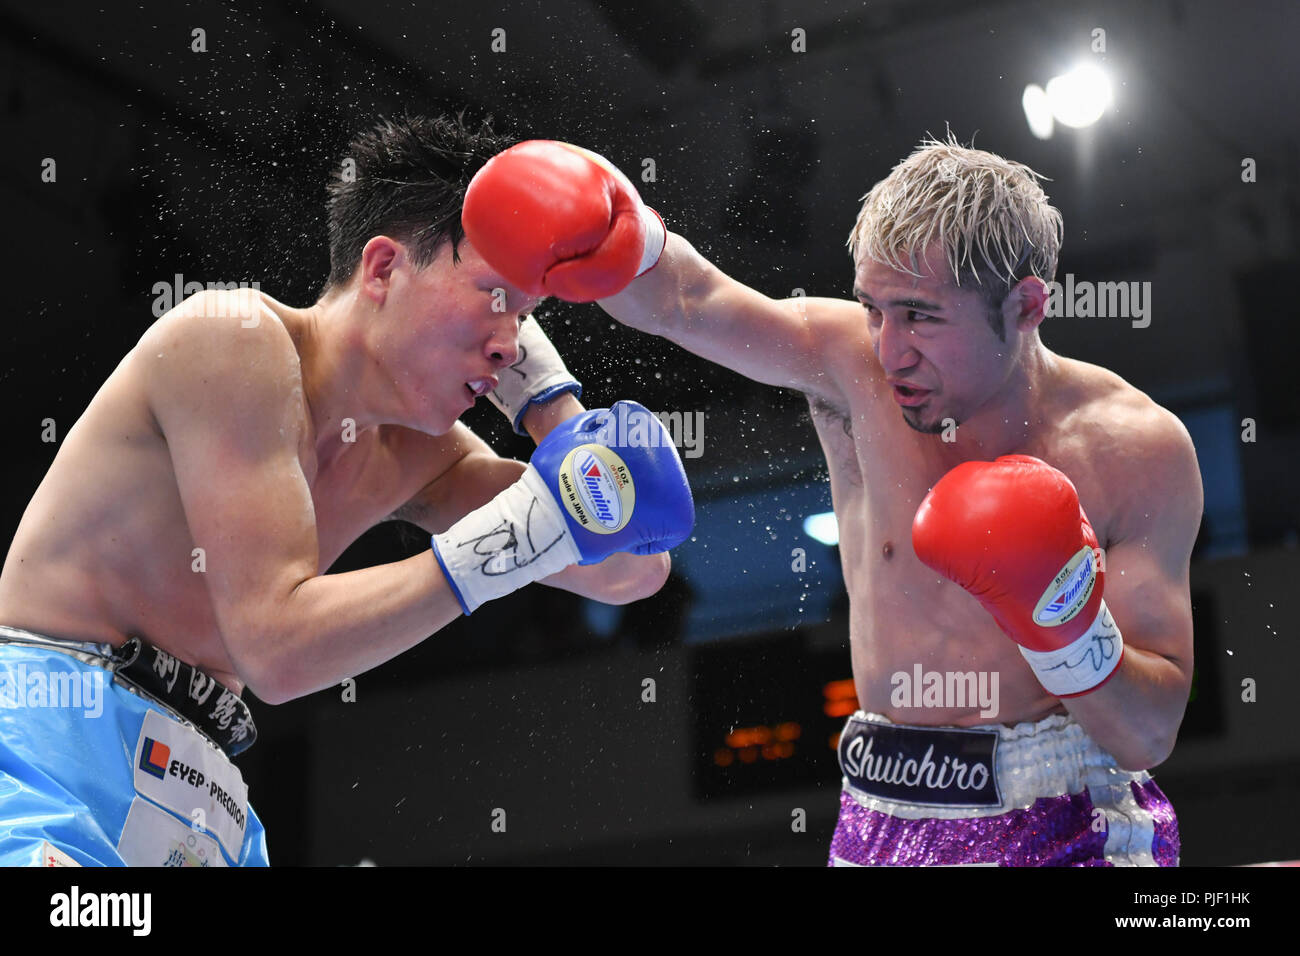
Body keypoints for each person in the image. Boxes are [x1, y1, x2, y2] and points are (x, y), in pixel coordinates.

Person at [462, 134, 1202, 866]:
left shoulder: (1133, 450)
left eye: (921, 315)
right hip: (877, 811)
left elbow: (1148, 733)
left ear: (1026, 305)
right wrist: (608, 227)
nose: (889, 350)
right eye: (873, 309)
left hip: (1066, 819)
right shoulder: (847, 362)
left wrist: (1066, 627)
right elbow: (686, 299)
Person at [0, 114, 694, 867]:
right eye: (494, 296)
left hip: (200, 786)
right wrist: (513, 538)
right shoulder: (228, 338)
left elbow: (631, 567)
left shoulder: (420, 457)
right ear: (383, 267)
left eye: (525, 321)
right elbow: (278, 650)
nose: (508, 343)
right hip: (49, 728)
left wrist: (551, 404)